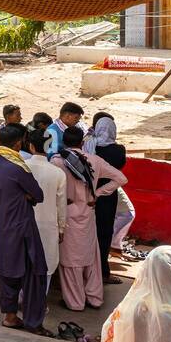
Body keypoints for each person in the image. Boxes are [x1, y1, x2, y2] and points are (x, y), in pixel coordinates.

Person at [54, 125, 126, 312]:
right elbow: (121, 178)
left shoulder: (57, 162)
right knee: (90, 256)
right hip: (87, 211)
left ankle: (75, 301)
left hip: (66, 213)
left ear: (64, 142)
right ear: (83, 141)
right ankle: (94, 298)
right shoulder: (94, 160)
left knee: (70, 260)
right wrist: (98, 194)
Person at [0, 123, 51, 334]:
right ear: (18, 143)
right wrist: (25, 196)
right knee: (35, 272)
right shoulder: (18, 167)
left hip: (2, 223)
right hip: (22, 225)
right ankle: (33, 322)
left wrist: (23, 195)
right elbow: (38, 195)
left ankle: (10, 316)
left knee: (7, 271)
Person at [25, 128, 67, 294]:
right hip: (49, 225)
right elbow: (61, 205)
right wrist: (62, 227)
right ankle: (40, 299)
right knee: (47, 263)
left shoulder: (22, 167)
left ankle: (22, 297)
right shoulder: (58, 173)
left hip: (24, 222)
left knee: (23, 261)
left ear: (31, 147)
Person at [88, 114, 127, 284]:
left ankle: (86, 272)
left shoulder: (89, 146)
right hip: (107, 198)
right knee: (104, 235)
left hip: (87, 196)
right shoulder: (118, 151)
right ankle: (102, 272)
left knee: (86, 234)